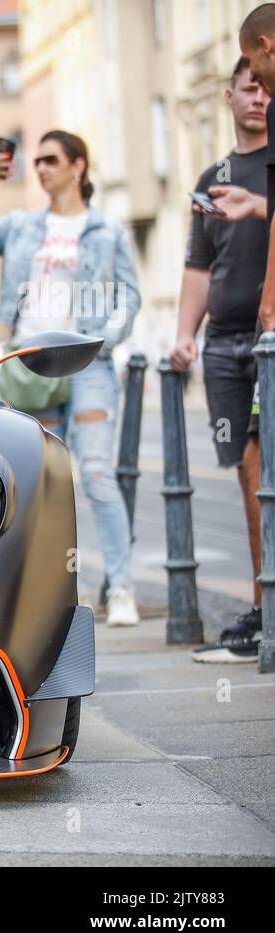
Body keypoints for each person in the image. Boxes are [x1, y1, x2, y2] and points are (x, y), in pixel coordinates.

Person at [0, 129, 142, 626]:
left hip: (89, 364)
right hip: (33, 364)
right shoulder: (21, 226)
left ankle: (120, 588)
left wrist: (107, 340)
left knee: (97, 475)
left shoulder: (107, 231)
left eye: (52, 160)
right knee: (40, 487)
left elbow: (129, 295)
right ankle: (46, 597)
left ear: (79, 166)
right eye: (36, 162)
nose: (42, 168)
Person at [168, 57, 269, 663]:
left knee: (268, 474)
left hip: (271, 342)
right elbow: (198, 268)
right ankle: (263, 608)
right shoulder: (213, 178)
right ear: (228, 96)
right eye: (248, 89)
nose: (258, 98)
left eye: (267, 87)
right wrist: (184, 333)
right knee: (250, 477)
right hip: (225, 345)